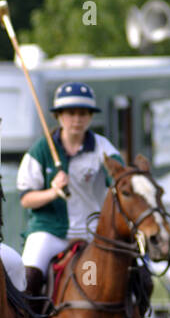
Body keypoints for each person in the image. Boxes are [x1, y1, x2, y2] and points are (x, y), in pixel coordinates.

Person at [16, 82, 124, 298]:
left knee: (91, 287)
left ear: (90, 117)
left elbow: (121, 178)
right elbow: (26, 199)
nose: (77, 119)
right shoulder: (41, 150)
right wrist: (53, 191)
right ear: (59, 116)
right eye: (71, 113)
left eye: (83, 114)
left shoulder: (102, 147)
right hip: (49, 233)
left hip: (89, 235)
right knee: (28, 280)